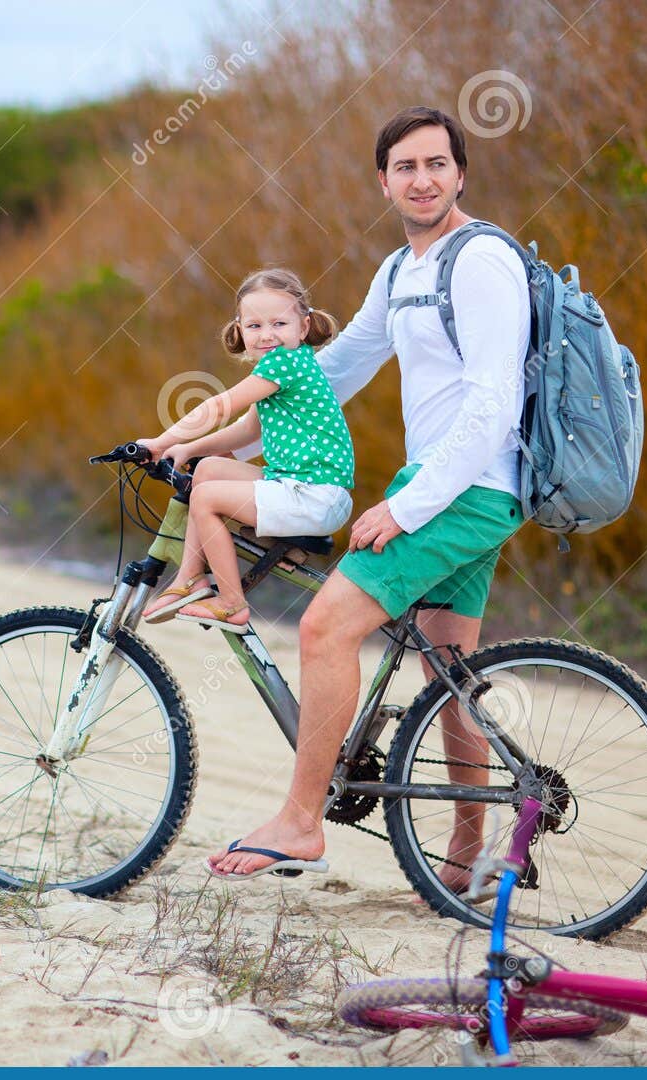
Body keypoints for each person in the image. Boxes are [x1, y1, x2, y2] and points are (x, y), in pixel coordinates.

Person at [206, 106, 530, 886]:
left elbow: (492, 403)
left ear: (460, 173)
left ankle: (300, 823)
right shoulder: (401, 271)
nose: (423, 179)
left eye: (437, 164)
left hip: (465, 487)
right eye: (406, 167)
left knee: (324, 628)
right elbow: (331, 375)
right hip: (453, 485)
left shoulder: (481, 261)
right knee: (448, 668)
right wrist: (211, 448)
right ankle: (461, 857)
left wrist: (408, 506)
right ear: (384, 182)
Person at [136, 269, 354, 635]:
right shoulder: (285, 368)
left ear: (304, 327)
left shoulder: (286, 363)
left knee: (204, 498)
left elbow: (220, 407)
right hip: (301, 488)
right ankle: (191, 577)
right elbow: (246, 430)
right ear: (239, 331)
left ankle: (232, 603)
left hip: (315, 495)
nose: (267, 334)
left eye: (279, 323)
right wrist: (186, 448)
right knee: (206, 472)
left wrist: (159, 442)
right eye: (254, 326)